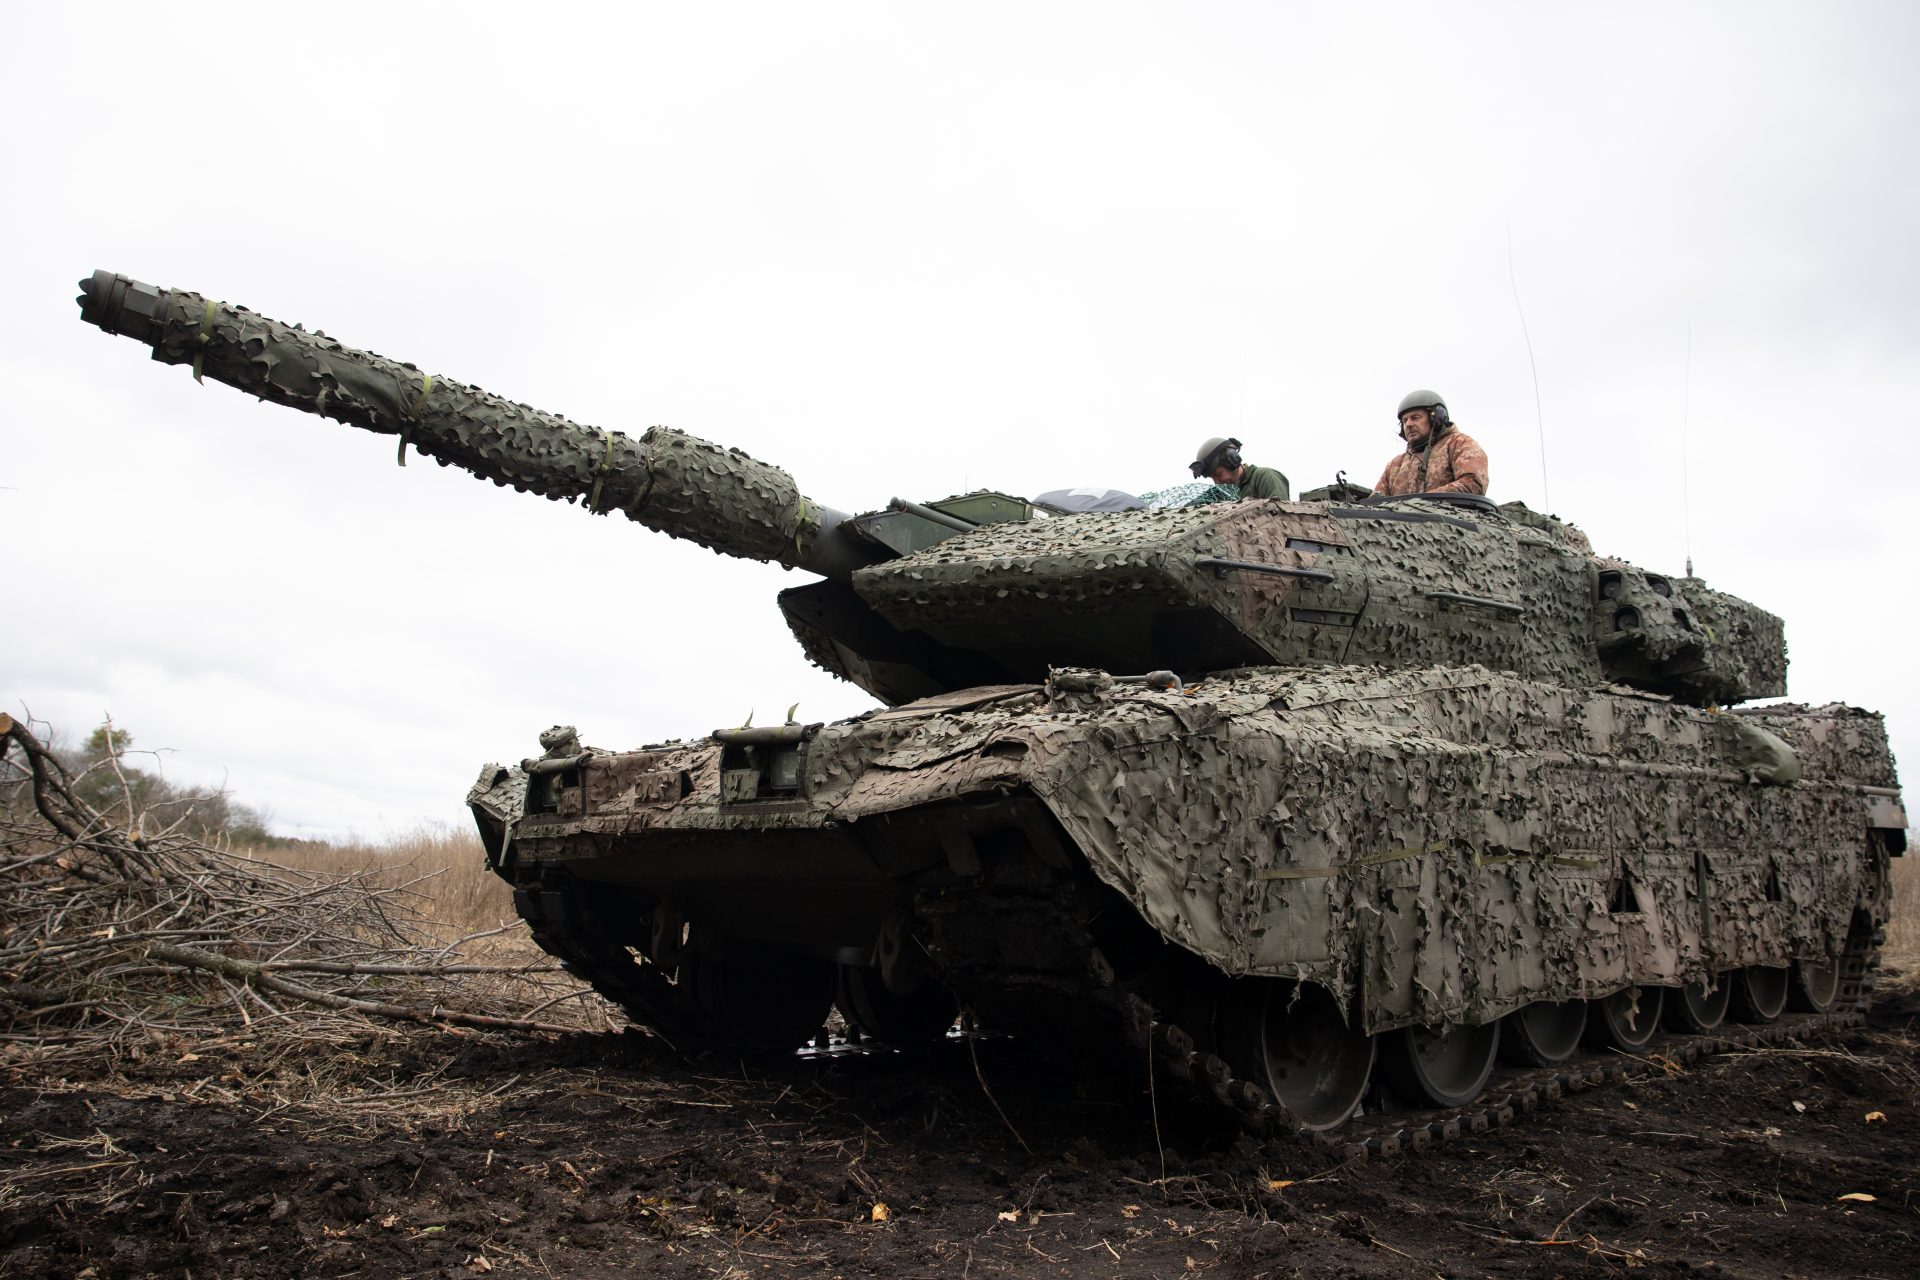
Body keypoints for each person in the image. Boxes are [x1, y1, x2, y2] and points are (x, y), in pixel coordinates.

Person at [1374, 390, 1488, 496]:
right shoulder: (1395, 465)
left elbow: (1473, 484)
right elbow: (1375, 501)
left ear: (1437, 419)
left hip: (1447, 517)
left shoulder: (1459, 444)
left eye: (1415, 418)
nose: (1408, 424)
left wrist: (1423, 501)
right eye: (1404, 421)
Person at [1188, 437, 1290, 499]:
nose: (1217, 482)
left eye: (1218, 474)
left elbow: (1282, 521)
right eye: (1212, 478)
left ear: (1232, 460)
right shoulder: (1227, 496)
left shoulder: (1265, 478)